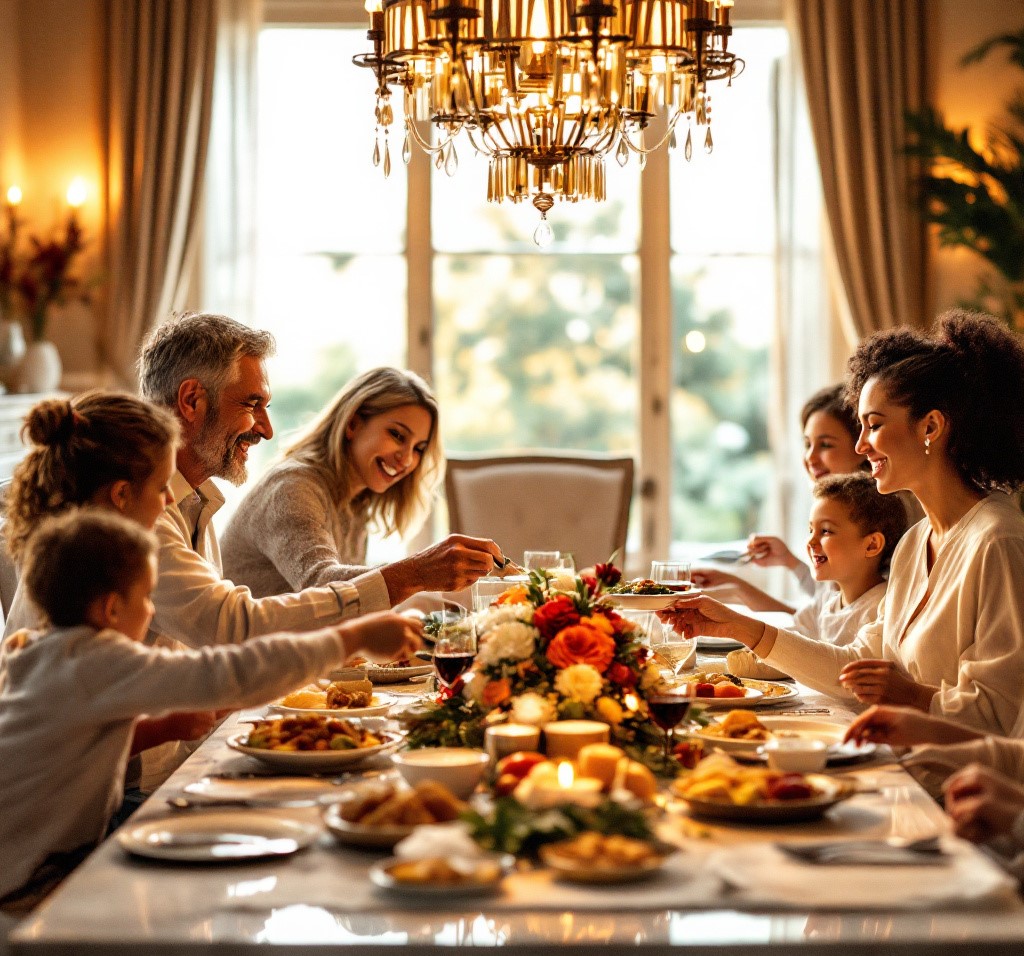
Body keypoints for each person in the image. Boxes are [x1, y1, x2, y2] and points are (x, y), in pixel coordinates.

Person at [0, 510, 421, 907]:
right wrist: (351, 637)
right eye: (147, 598)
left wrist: (164, 728)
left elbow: (63, 750)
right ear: (111, 609)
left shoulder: (42, 653)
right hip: (30, 887)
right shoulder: (96, 659)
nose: (151, 612)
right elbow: (229, 669)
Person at [662, 311, 1024, 735]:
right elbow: (852, 668)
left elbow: (1002, 717)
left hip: (953, 792)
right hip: (900, 765)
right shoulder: (913, 544)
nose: (860, 444)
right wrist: (736, 624)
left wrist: (909, 695)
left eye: (873, 425)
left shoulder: (998, 541)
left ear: (930, 426)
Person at [221, 366, 502, 603]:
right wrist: (421, 571)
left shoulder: (355, 500)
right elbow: (322, 587)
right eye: (397, 435)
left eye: (419, 448)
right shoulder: (293, 486)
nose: (406, 458)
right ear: (353, 424)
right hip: (245, 664)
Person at [692, 385, 868, 611]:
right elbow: (826, 610)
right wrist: (789, 562)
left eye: (825, 445)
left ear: (862, 447)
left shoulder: (872, 517)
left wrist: (738, 590)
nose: (810, 458)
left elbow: (828, 625)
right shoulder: (838, 506)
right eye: (807, 444)